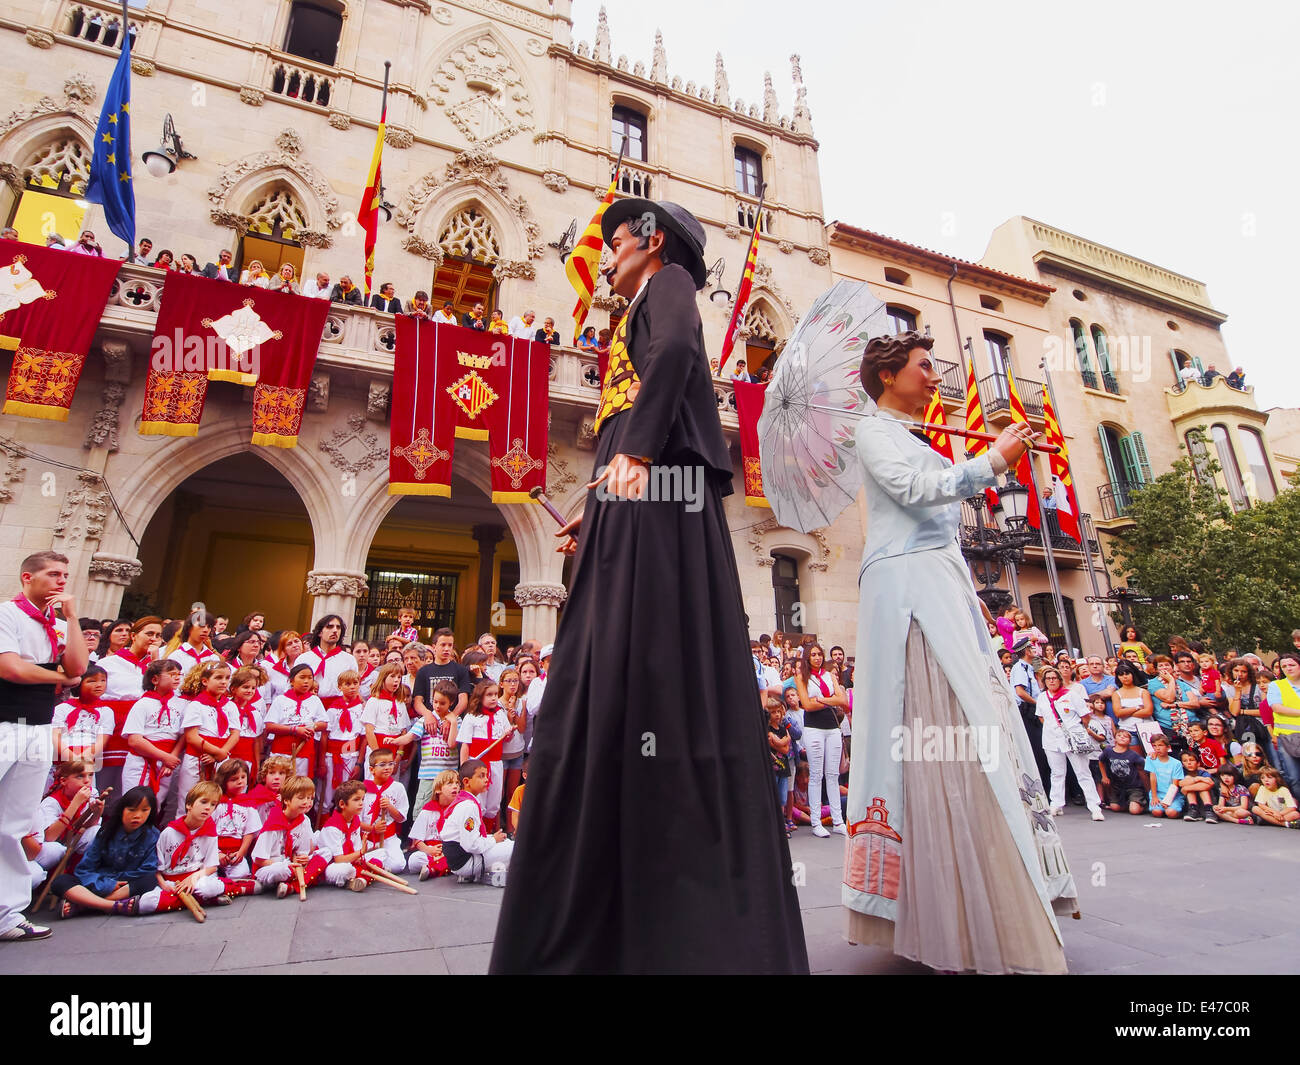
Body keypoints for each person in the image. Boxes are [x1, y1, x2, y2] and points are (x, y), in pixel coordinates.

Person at [491, 198, 807, 975]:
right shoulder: (632, 304)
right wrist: (595, 511)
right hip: (634, 498)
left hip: (661, 490)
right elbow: (629, 412)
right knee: (606, 663)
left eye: (613, 239)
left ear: (652, 240)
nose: (603, 253)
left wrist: (631, 455)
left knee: (635, 662)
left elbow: (669, 364)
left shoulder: (666, 285)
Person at [842, 328, 1079, 974]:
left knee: (981, 729)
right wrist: (992, 462)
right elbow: (918, 494)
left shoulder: (915, 436)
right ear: (889, 375)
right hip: (907, 595)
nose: (935, 376)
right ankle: (954, 910)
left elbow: (939, 504)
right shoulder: (872, 433)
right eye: (924, 366)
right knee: (939, 730)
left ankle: (996, 904)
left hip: (945, 588)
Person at [0, 550, 88, 941]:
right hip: (5, 722)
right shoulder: (8, 614)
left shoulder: (54, 622)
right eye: (53, 574)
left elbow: (79, 668)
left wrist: (71, 619)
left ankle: (7, 913)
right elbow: (11, 668)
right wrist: (56, 675)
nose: (61, 582)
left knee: (15, 825)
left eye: (65, 575)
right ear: (27, 578)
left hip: (37, 726)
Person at [51, 786, 159, 919]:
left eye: (145, 810)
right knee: (60, 882)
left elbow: (148, 869)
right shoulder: (105, 832)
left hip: (125, 885)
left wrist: (118, 882)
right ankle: (113, 905)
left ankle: (84, 905)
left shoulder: (152, 835)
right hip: (99, 882)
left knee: (149, 880)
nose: (137, 815)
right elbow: (84, 869)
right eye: (131, 810)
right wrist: (107, 884)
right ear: (122, 810)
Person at [1036, 667, 1105, 820]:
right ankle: (1056, 803)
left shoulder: (1071, 695)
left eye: (1054, 678)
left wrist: (1076, 730)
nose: (1051, 681)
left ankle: (1094, 806)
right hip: (1051, 738)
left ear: (1059, 680)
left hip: (1073, 738)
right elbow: (1041, 717)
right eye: (1048, 679)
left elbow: (1085, 717)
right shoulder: (1042, 698)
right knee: (1057, 772)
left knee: (1082, 772)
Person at [794, 643, 848, 836]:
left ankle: (838, 820)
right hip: (813, 728)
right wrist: (830, 699)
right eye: (813, 655)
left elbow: (843, 700)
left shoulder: (829, 674)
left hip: (832, 727)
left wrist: (823, 700)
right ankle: (816, 822)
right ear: (807, 657)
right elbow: (807, 704)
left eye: (819, 654)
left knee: (833, 775)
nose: (817, 657)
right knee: (816, 775)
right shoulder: (801, 677)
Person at [121, 659, 185, 813]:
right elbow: (135, 740)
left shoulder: (182, 704)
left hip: (166, 763)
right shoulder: (143, 704)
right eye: (171, 674)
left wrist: (171, 758)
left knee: (155, 805)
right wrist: (165, 757)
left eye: (178, 674)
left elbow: (183, 736)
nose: (177, 677)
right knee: (133, 802)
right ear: (155, 679)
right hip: (141, 761)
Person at [251, 775, 328, 897]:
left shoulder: (304, 821)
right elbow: (259, 859)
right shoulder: (273, 823)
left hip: (292, 865)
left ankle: (291, 887)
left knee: (326, 852)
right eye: (301, 798)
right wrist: (285, 864)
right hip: (272, 867)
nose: (307, 802)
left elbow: (302, 853)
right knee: (281, 870)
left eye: (310, 798)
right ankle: (303, 879)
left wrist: (304, 859)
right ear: (286, 800)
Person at [440, 758, 512, 885]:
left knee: (505, 842)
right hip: (465, 861)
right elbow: (471, 845)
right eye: (481, 776)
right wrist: (493, 840)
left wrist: (493, 838)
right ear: (467, 782)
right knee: (514, 848)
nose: (486, 780)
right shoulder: (468, 806)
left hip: (461, 859)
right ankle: (480, 873)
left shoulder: (466, 801)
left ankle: (480, 873)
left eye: (487, 776)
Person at [175, 661, 240, 800]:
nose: (224, 682)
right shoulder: (196, 705)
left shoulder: (230, 706)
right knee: (190, 796)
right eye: (218, 678)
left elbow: (235, 734)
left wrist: (222, 753)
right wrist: (217, 752)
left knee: (219, 797)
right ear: (205, 681)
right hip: (198, 758)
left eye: (227, 678)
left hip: (222, 758)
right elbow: (192, 737)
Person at [265, 663, 327, 779]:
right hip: (281, 752)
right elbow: (269, 725)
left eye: (310, 678)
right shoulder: (280, 700)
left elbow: (324, 724)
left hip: (304, 752)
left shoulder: (315, 701)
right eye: (302, 677)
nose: (306, 681)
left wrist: (312, 726)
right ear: (291, 681)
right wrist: (294, 730)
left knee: (300, 787)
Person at [314, 779, 370, 891]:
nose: (361, 803)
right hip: (332, 865)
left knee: (382, 854)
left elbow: (356, 849)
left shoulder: (355, 820)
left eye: (362, 799)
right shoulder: (333, 827)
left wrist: (359, 855)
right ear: (342, 804)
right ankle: (360, 877)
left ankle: (354, 880)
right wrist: (360, 853)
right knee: (345, 869)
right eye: (356, 800)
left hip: (349, 859)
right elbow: (339, 859)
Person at [361, 662, 413, 779]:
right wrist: (379, 757)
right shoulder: (374, 701)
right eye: (392, 676)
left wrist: (398, 757)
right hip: (378, 749)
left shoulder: (400, 703)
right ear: (383, 678)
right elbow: (369, 731)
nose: (396, 680)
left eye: (399, 677)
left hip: (394, 752)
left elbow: (403, 731)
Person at [405, 769, 459, 880]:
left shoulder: (459, 810)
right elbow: (417, 841)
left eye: (457, 783)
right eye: (450, 784)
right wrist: (429, 850)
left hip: (449, 849)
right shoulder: (427, 811)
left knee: (458, 857)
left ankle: (432, 869)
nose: (455, 786)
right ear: (438, 790)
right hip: (430, 850)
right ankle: (440, 867)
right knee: (414, 860)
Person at [360, 749, 408, 873]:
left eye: (391, 764)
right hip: (367, 837)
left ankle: (376, 865)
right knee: (362, 857)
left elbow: (401, 818)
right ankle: (374, 863)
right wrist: (373, 829)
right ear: (371, 770)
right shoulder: (362, 789)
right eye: (382, 765)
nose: (387, 768)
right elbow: (355, 821)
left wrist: (389, 807)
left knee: (398, 865)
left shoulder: (398, 787)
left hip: (388, 837)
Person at [212, 758, 261, 879]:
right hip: (214, 851)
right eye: (234, 779)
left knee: (242, 874)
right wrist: (217, 853)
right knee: (208, 876)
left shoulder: (248, 804)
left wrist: (241, 853)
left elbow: (250, 832)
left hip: (236, 852)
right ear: (223, 781)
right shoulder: (216, 803)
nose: (240, 782)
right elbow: (207, 831)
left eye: (243, 777)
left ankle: (226, 884)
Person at [1265, 651, 1300, 791]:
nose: (1288, 668)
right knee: (1294, 777)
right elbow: (1276, 707)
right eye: (1284, 666)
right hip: (1287, 738)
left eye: (1292, 665)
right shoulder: (1276, 686)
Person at [1112, 661, 1160, 756]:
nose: (1125, 677)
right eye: (1121, 675)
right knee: (1137, 760)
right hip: (1128, 729)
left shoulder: (1143, 691)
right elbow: (1118, 713)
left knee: (1154, 757)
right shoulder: (1116, 694)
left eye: (1127, 674)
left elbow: (1148, 711)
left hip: (1147, 728)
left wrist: (1125, 711)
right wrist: (1137, 707)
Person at [1145, 734, 1185, 818]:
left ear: (1168, 747)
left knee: (1171, 813)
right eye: (1154, 746)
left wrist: (1168, 800)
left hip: (1173, 794)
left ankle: (1178, 809)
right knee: (1157, 812)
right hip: (1158, 794)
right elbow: (1152, 778)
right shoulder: (1151, 759)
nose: (1157, 748)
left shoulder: (1176, 763)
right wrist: (1154, 796)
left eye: (1160, 745)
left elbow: (1175, 783)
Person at [1176, 749, 1217, 822]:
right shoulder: (1182, 773)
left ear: (1198, 763)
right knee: (1188, 779)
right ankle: (1193, 810)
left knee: (1202, 789)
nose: (1189, 763)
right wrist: (1197, 779)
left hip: (1206, 802)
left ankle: (1209, 810)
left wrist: (1186, 788)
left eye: (1191, 760)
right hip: (1189, 803)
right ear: (1182, 764)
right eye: (1185, 761)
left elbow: (1209, 784)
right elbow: (1180, 783)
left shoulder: (1202, 772)